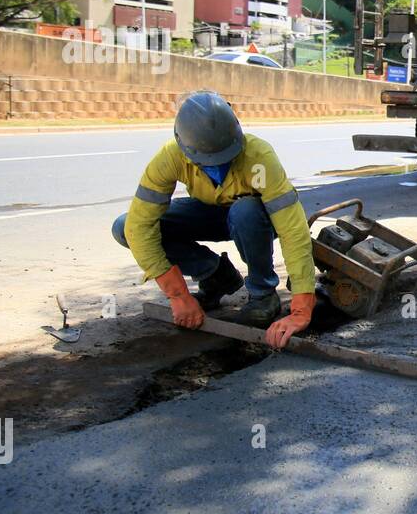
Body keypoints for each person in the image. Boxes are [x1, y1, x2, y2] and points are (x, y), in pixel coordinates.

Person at [111, 90, 316, 350]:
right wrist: (178, 296)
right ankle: (215, 274)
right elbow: (139, 227)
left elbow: (292, 230)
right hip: (206, 213)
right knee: (123, 227)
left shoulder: (259, 158)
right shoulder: (170, 157)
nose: (218, 165)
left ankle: (263, 294)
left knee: (245, 211)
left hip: (251, 220)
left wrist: (301, 309)